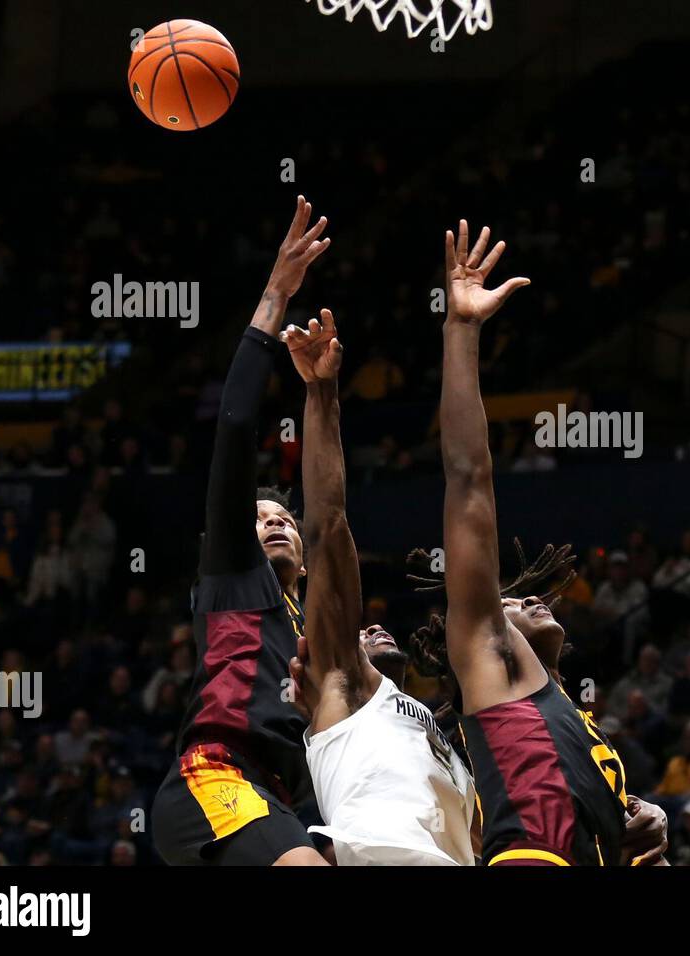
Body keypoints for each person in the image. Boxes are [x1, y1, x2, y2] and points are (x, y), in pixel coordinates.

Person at [410, 221, 654, 866]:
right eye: (511, 601)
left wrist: (637, 821)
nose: (535, 601)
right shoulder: (491, 662)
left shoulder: (577, 723)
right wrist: (461, 332)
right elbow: (468, 481)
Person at [151, 197, 331, 867]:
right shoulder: (232, 572)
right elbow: (232, 427)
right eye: (260, 519)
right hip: (215, 776)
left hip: (278, 800)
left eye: (285, 518)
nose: (277, 522)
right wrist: (276, 296)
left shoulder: (311, 625)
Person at [279, 308, 476, 865]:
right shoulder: (342, 685)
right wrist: (322, 396)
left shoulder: (439, 739)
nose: (371, 627)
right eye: (358, 632)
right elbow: (327, 525)